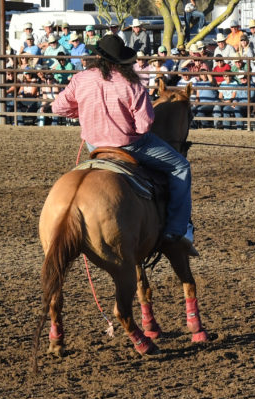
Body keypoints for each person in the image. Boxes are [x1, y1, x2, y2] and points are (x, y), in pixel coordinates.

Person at [50, 35, 193, 247]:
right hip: (130, 145)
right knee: (180, 166)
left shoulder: (81, 78)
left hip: (94, 145)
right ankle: (177, 230)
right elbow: (144, 125)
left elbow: (58, 108)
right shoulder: (132, 84)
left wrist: (85, 113)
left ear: (98, 57)